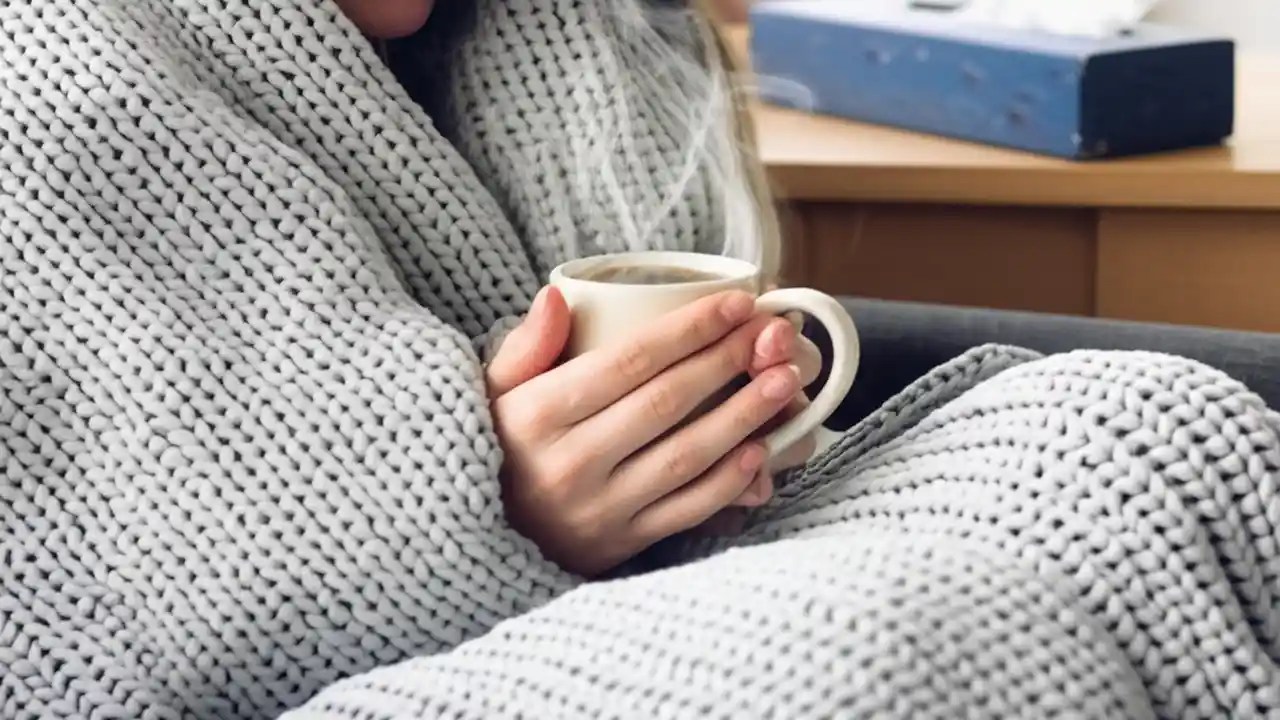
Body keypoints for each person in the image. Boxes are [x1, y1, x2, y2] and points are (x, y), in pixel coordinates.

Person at [3, 1, 1278, 719]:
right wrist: (474, 507)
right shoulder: (55, 70)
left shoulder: (530, 38)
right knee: (880, 651)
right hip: (330, 668)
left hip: (670, 564)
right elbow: (87, 616)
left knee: (1148, 428)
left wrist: (664, 445)